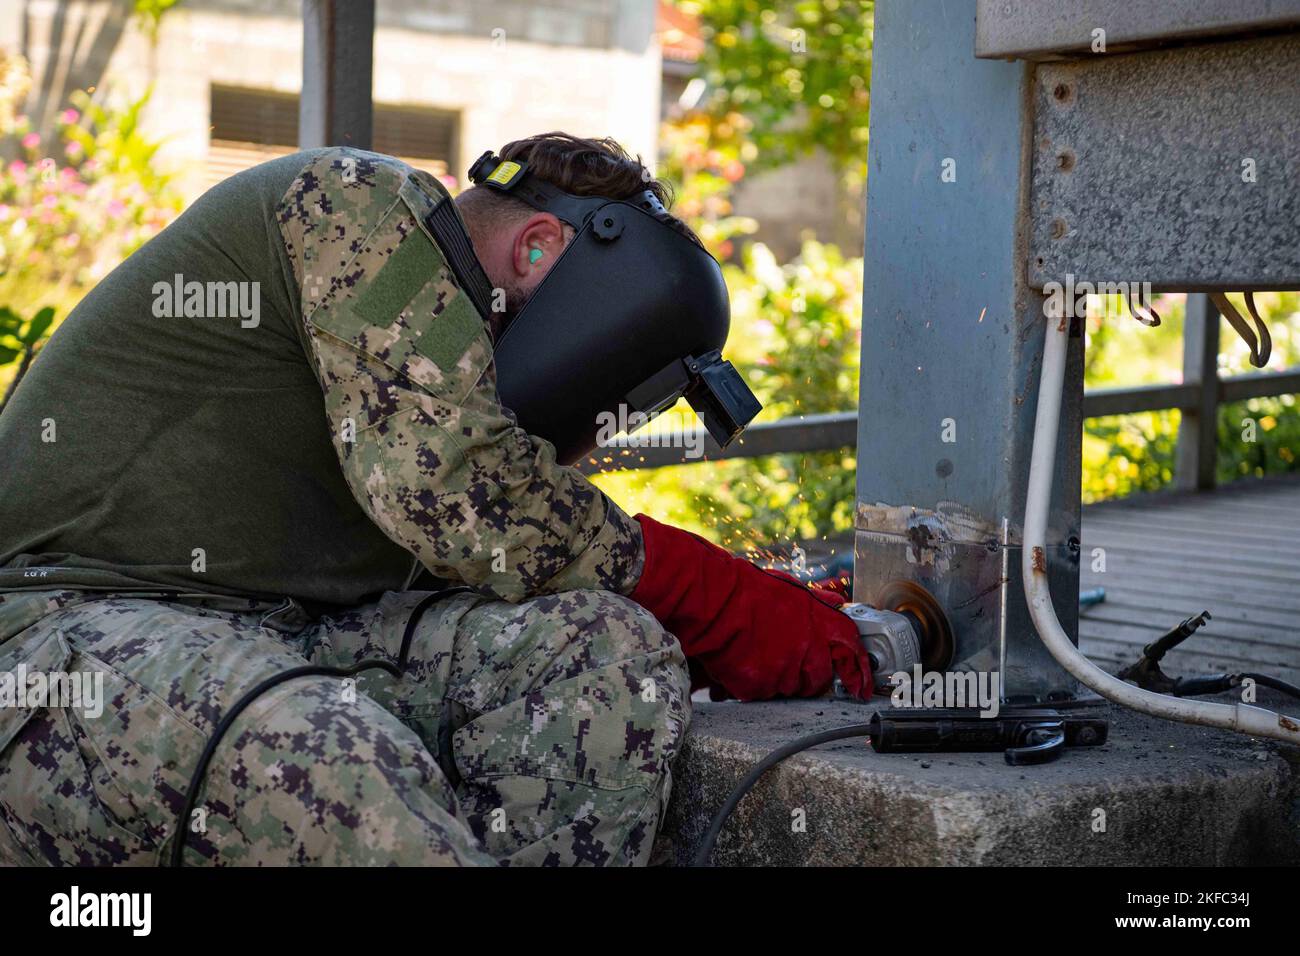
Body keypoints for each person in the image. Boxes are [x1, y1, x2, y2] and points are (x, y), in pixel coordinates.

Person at [0, 133, 870, 866]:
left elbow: (491, 540)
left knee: (607, 656)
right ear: (536, 248)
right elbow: (456, 494)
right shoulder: (359, 202)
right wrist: (705, 593)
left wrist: (708, 619)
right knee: (320, 754)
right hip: (56, 632)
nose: (583, 442)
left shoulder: (426, 391)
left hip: (280, 631)